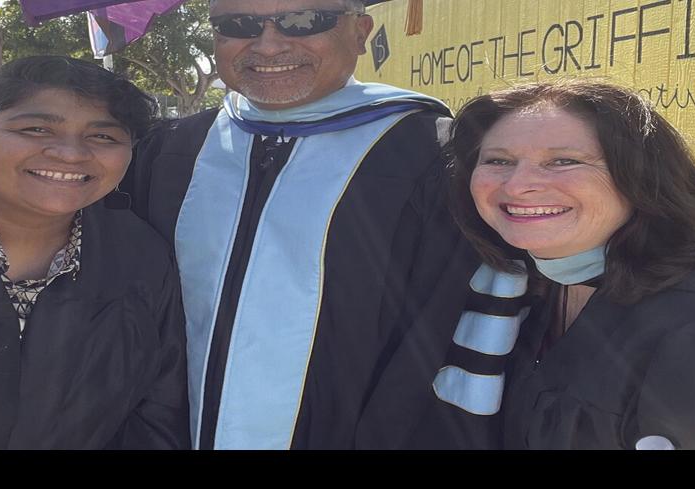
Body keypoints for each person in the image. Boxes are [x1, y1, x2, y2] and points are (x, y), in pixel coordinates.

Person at [124, 0, 480, 449]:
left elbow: (440, 329)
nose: (269, 44)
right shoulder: (169, 151)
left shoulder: (433, 156)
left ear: (361, 31)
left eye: (305, 20)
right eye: (238, 24)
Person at [431, 77, 695, 449]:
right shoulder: (536, 290)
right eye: (498, 161)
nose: (517, 185)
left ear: (641, 177)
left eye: (563, 161)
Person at [0, 55, 187, 449]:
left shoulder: (142, 261)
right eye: (36, 129)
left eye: (103, 137)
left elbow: (157, 411)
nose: (70, 154)